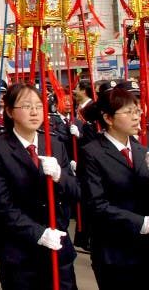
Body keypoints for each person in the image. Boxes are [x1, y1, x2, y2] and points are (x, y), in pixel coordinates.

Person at [0, 82, 79, 290]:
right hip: (20, 253)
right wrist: (39, 234)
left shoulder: (55, 144)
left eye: (39, 106)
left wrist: (60, 176)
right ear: (9, 111)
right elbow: (0, 206)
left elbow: (77, 191)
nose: (35, 112)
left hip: (58, 246)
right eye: (26, 106)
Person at [78, 87, 149, 289]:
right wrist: (142, 223)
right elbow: (96, 205)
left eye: (137, 111)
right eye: (128, 112)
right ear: (108, 118)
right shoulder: (92, 153)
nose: (136, 117)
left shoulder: (141, 149)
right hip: (115, 252)